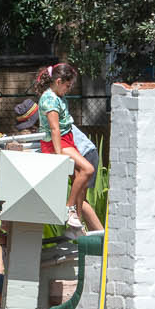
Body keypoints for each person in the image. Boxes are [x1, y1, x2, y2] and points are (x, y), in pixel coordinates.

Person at [33, 62, 100, 231]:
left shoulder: (59, 97)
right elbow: (55, 129)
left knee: (80, 181)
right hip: (58, 142)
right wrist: (58, 155)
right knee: (88, 170)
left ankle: (75, 224)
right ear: (58, 81)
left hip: (67, 140)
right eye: (67, 85)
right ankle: (69, 208)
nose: (68, 89)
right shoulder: (49, 99)